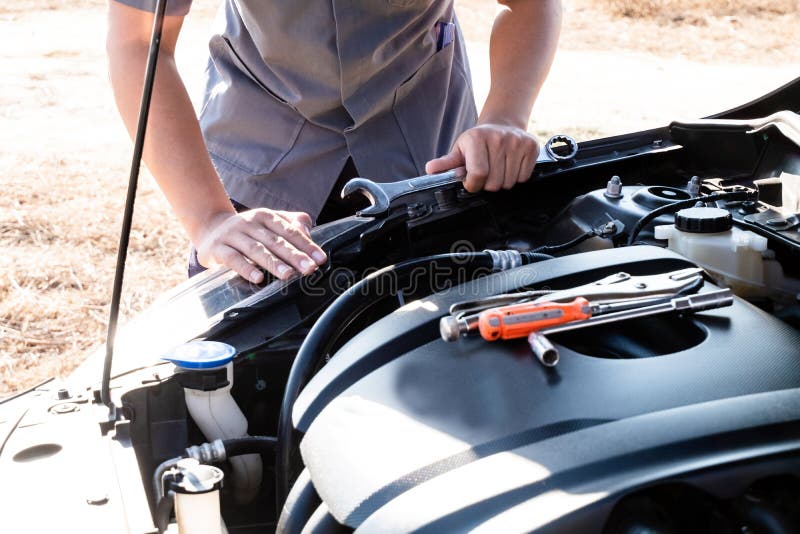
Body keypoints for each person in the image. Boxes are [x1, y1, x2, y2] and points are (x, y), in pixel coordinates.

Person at [107, 0, 562, 283]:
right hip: (261, 180)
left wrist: (505, 117)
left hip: (429, 169)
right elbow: (138, 43)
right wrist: (209, 218)